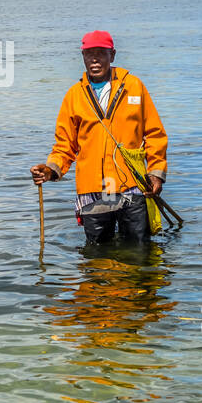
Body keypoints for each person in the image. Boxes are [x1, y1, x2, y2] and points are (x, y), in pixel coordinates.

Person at [30, 30, 169, 243]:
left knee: (139, 254)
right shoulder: (74, 96)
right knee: (96, 257)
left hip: (131, 187)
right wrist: (50, 170)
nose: (94, 59)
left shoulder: (133, 87)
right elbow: (64, 145)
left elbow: (155, 133)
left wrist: (156, 173)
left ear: (112, 55)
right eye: (88, 54)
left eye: (101, 53)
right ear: (83, 58)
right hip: (92, 191)